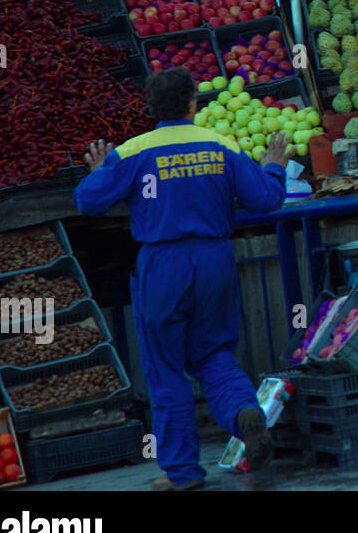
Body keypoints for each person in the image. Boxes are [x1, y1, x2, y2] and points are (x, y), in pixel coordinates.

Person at [74, 66, 291, 491]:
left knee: (167, 368)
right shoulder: (221, 144)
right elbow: (265, 200)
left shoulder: (134, 151)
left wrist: (102, 171)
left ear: (151, 109)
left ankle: (183, 473)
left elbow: (87, 201)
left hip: (163, 265)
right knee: (216, 355)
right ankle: (245, 413)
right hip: (215, 259)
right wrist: (274, 167)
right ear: (194, 103)